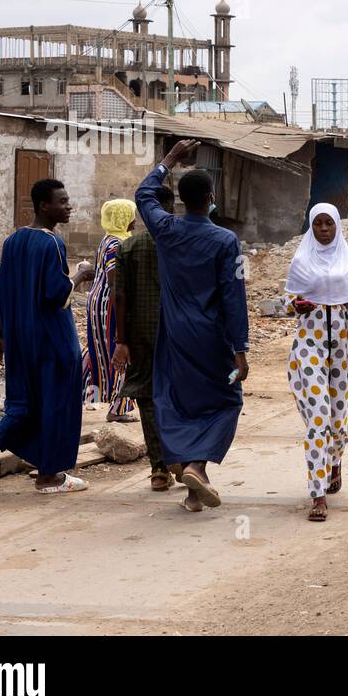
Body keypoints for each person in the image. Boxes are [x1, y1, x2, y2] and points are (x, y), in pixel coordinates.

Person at [135, 139, 249, 513]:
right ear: (212, 196)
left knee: (177, 401)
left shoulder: (166, 229)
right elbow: (233, 298)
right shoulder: (225, 240)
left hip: (173, 333)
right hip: (211, 335)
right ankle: (197, 467)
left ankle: (190, 487)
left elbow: (144, 194)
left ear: (181, 199)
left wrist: (169, 159)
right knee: (225, 401)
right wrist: (240, 350)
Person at [0, 179, 95, 493]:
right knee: (57, 403)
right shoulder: (52, 243)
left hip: (20, 337)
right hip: (52, 338)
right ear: (43, 206)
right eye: (62, 202)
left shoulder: (13, 241)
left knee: (25, 401)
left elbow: (3, 291)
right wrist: (80, 273)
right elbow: (56, 295)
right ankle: (49, 474)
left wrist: (0, 336)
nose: (69, 207)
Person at [281, 203, 348, 522]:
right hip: (309, 345)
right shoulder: (300, 260)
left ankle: (335, 461)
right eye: (317, 224)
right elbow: (286, 301)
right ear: (311, 226)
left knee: (338, 420)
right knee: (319, 415)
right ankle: (317, 493)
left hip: (342, 348)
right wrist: (297, 305)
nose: (323, 229)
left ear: (337, 227)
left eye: (328, 224)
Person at [111, 185, 175, 491]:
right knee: (179, 396)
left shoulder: (129, 246)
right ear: (172, 208)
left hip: (141, 333)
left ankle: (159, 468)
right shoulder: (182, 243)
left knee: (148, 398)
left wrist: (121, 339)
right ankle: (182, 457)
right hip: (180, 332)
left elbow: (119, 295)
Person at [83, 199, 137, 423]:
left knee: (98, 352)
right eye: (132, 215)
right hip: (111, 305)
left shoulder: (109, 240)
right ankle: (118, 407)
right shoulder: (117, 245)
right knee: (122, 352)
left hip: (99, 303)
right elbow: (117, 285)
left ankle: (73, 395)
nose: (135, 220)